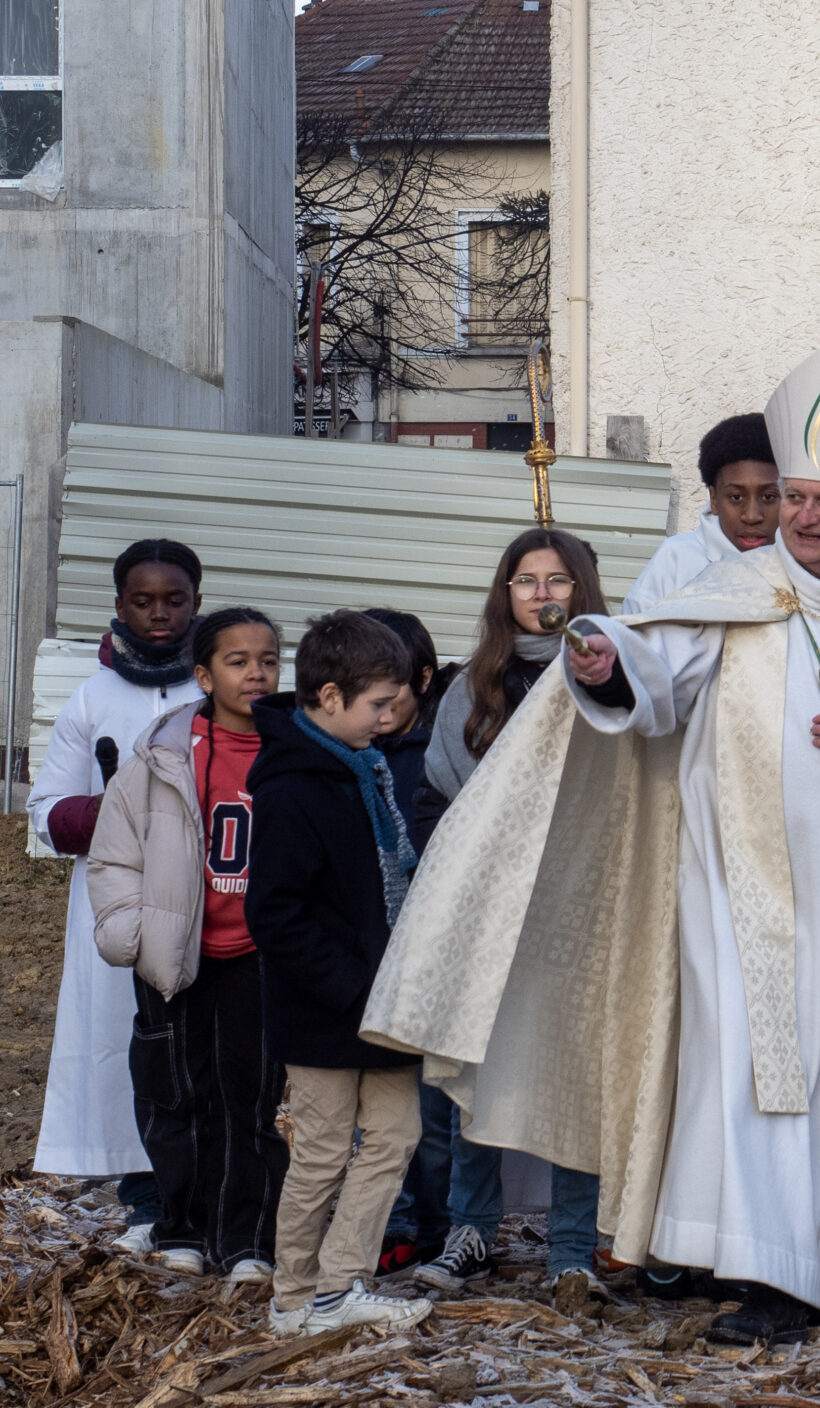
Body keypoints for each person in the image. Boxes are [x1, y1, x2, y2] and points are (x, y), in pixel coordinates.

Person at [360, 341, 820, 1347]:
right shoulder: (725, 595)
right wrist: (601, 661)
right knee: (749, 1082)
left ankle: (812, 1264)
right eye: (794, 498)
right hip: (735, 900)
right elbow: (649, 680)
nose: (804, 515)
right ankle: (763, 1268)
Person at [410, 532, 612, 1306]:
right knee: (475, 1073)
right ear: (505, 594)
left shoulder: (607, 673)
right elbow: (439, 801)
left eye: (557, 579)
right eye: (524, 581)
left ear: (582, 589)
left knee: (573, 1074)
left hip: (576, 905)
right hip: (486, 906)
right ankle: (470, 1231)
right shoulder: (472, 687)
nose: (540, 593)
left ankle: (571, 1246)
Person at [246, 611, 432, 1337]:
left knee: (395, 1136)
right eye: (377, 705)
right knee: (322, 1152)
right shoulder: (294, 789)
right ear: (327, 697)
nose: (389, 720)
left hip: (385, 1003)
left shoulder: (370, 772)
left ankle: (340, 1284)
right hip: (329, 1008)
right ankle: (293, 1297)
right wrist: (357, 988)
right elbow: (277, 915)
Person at [88, 608, 288, 1283]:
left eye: (268, 659)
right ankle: (181, 1228)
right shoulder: (164, 753)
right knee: (175, 1096)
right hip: (176, 955)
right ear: (203, 674)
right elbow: (113, 855)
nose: (256, 672)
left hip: (259, 959)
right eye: (238, 661)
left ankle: (248, 1241)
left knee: (251, 1104)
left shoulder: (294, 749)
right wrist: (132, 933)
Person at [29, 538, 206, 1249]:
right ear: (118, 607)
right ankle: (144, 1201)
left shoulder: (216, 683)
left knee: (202, 1044)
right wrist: (124, 813)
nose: (159, 615)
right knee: (125, 1043)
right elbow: (48, 813)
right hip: (117, 898)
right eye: (143, 601)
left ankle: (203, 1203)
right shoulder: (91, 697)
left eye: (174, 600)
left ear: (198, 600)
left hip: (207, 892)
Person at [363, 609, 455, 1278]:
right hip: (364, 948)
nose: (380, 698)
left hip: (430, 948)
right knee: (374, 1104)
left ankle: (438, 1222)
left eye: (392, 681)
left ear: (423, 679)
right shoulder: (345, 754)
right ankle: (391, 1221)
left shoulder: (436, 754)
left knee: (432, 1099)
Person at [620, 414, 779, 615]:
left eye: (769, 497)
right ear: (714, 499)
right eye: (736, 497)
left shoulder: (802, 564)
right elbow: (633, 636)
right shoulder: (675, 559)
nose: (752, 516)